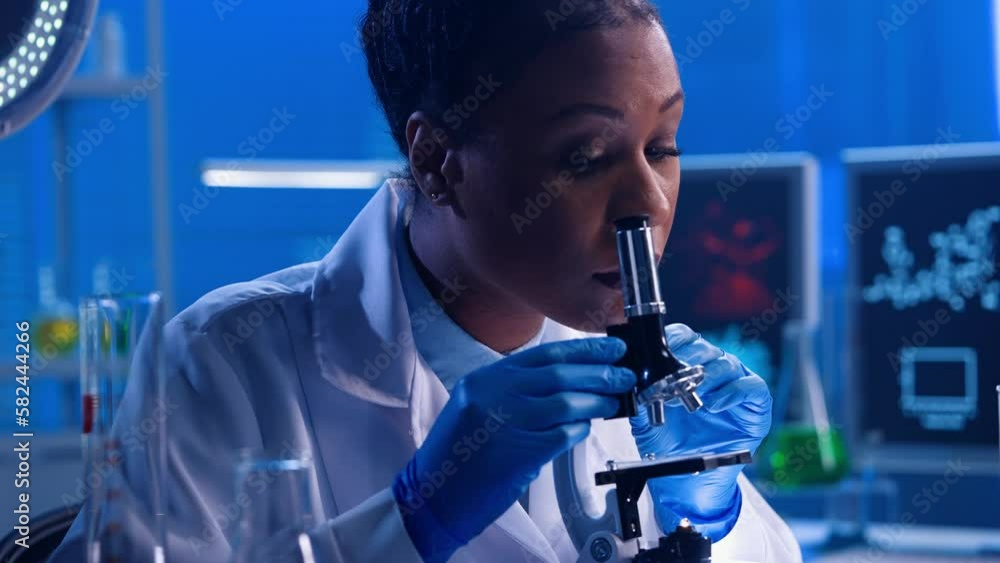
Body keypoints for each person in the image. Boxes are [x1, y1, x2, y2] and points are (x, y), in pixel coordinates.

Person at [53, 1, 802, 561]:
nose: (650, 201)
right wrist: (414, 521)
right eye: (584, 156)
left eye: (662, 146)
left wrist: (711, 516)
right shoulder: (224, 359)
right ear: (437, 161)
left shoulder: (645, 385)